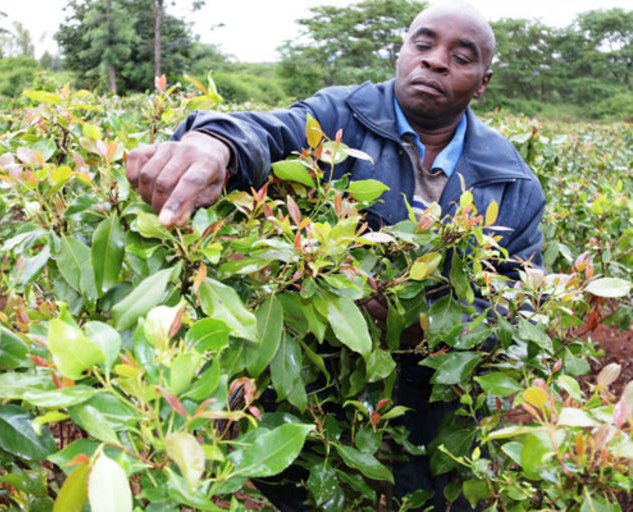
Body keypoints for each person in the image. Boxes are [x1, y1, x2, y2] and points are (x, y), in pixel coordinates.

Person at [127, 2, 545, 510]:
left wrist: (427, 330)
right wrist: (217, 143)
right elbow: (269, 131)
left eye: (461, 56)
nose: (435, 62)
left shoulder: (514, 183)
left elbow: (519, 302)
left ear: (483, 82)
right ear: (401, 51)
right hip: (320, 395)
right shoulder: (337, 116)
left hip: (436, 407)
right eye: (424, 44)